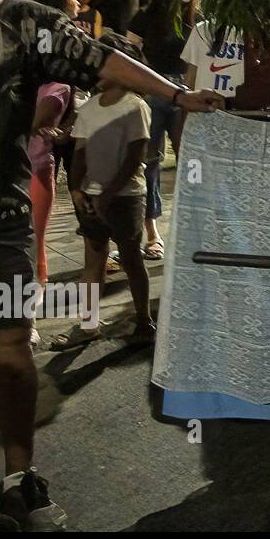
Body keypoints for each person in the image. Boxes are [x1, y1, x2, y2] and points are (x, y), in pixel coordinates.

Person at [0, 0, 224, 532]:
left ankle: (19, 480)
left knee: (12, 347)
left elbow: (107, 64)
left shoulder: (23, 23)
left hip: (2, 213)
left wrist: (178, 95)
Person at [52, 33, 154, 351]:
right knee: (93, 261)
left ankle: (143, 320)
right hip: (93, 196)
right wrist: (77, 190)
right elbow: (79, 152)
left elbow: (136, 156)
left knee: (131, 256)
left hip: (126, 197)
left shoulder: (135, 106)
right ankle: (89, 323)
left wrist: (107, 194)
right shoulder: (91, 107)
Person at [27, 0, 78, 309]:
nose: (78, 2)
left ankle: (29, 313)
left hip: (36, 163)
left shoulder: (60, 78)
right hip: (22, 164)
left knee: (34, 239)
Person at [127, 0, 190, 260]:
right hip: (155, 88)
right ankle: (152, 232)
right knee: (150, 162)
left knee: (190, 160)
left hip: (187, 90)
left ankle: (189, 226)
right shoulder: (146, 15)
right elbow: (129, 50)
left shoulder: (193, 16)